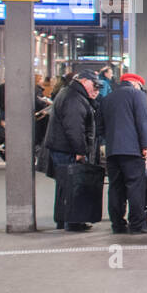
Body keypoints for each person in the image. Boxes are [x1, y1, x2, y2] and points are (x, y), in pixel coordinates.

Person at [44, 70, 100, 231]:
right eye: (93, 85)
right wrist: (80, 152)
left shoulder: (71, 94)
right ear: (84, 81)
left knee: (64, 186)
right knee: (73, 186)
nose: (95, 90)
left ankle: (64, 219)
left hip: (61, 148)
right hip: (67, 150)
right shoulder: (74, 99)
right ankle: (72, 221)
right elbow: (74, 128)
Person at [101, 73, 147, 234]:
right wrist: (145, 145)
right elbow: (143, 121)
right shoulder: (137, 95)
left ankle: (117, 224)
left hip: (112, 150)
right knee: (135, 187)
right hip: (132, 150)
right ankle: (137, 224)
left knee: (115, 188)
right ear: (136, 83)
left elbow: (100, 125)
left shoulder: (108, 98)